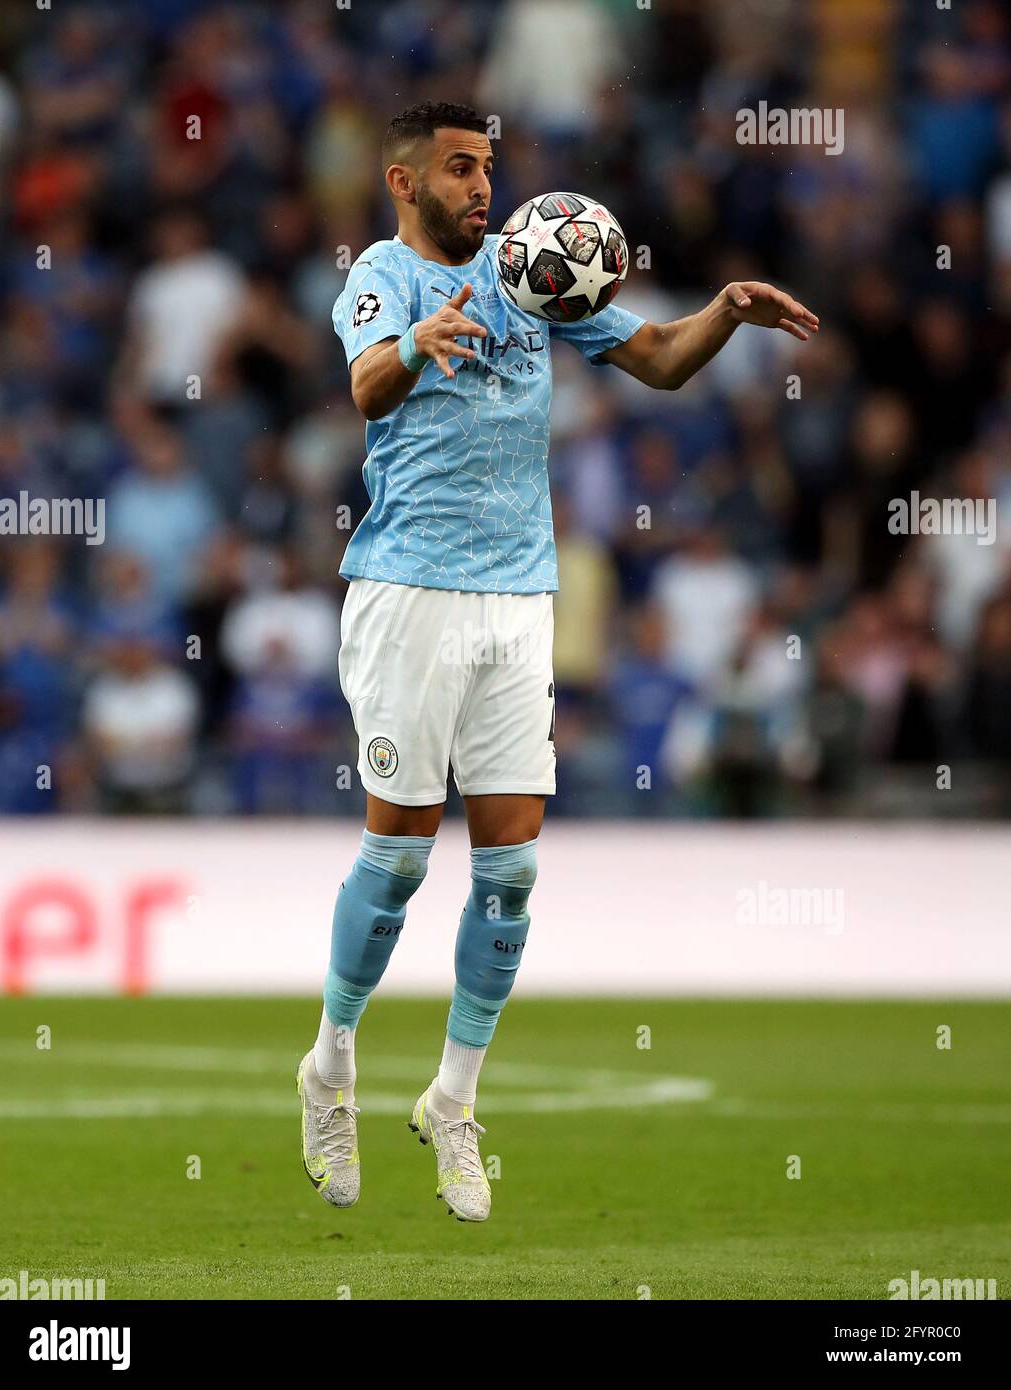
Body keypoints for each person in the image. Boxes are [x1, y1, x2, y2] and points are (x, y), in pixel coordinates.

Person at [298, 100, 818, 1222]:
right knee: (396, 856)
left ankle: (455, 1098)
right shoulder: (381, 278)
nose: (482, 185)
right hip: (408, 594)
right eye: (458, 168)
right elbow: (365, 389)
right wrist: (416, 346)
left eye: (488, 164)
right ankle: (332, 1064)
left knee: (512, 868)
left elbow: (659, 359)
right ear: (404, 181)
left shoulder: (537, 268)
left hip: (518, 599)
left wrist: (724, 310)